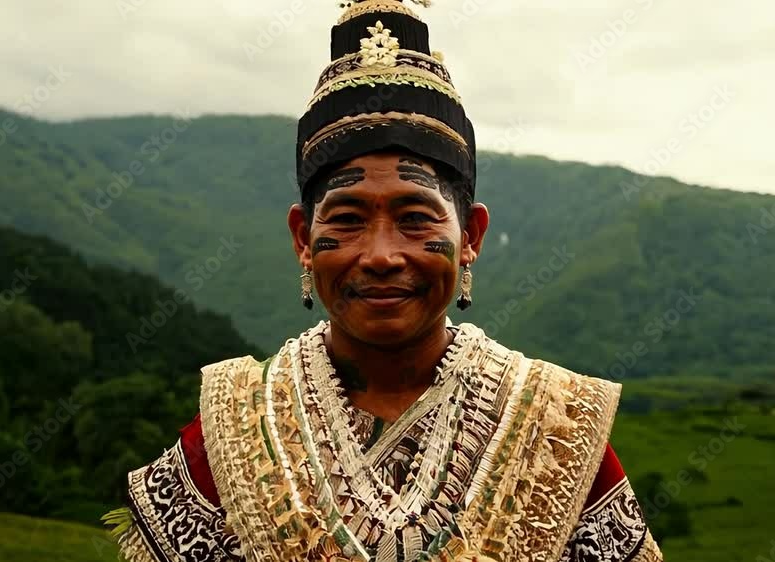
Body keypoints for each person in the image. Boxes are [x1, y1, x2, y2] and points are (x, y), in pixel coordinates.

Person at [103, 1, 662, 560]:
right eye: (346, 219)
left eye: (416, 218)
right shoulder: (236, 426)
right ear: (303, 238)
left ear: (471, 235)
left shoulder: (556, 425)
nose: (380, 255)